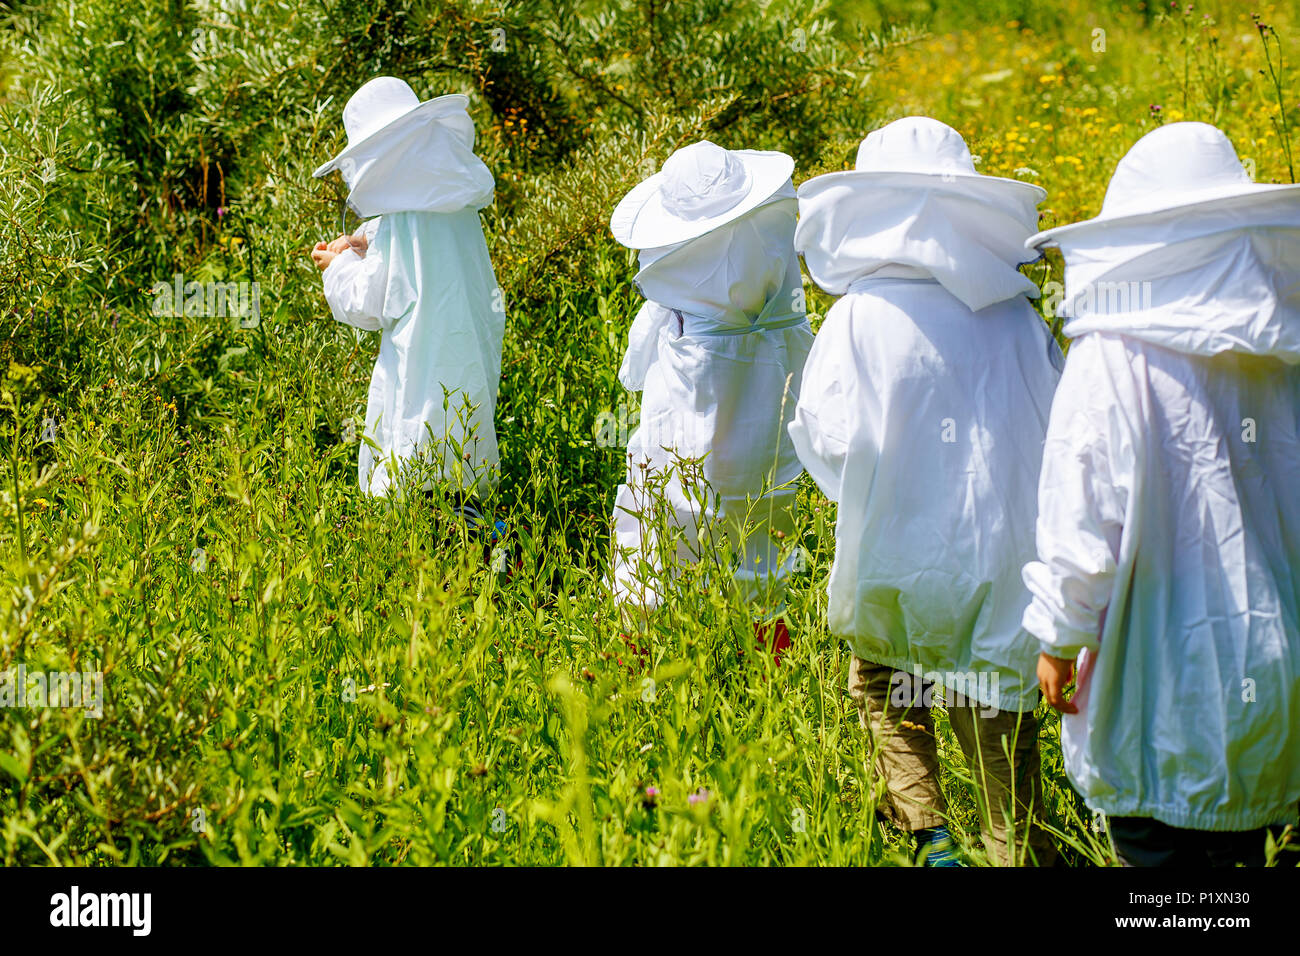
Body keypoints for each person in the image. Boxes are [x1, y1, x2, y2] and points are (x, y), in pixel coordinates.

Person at [1023, 121, 1300, 867]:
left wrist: (1058, 633)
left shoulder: (1110, 355)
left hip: (1155, 688)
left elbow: (1082, 517)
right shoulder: (1282, 351)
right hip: (1274, 673)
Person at [790, 117, 1062, 865]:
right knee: (997, 718)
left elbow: (825, 434)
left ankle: (926, 836)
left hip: (896, 553)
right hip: (1002, 563)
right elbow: (1058, 430)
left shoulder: (856, 317)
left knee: (886, 682)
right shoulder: (1013, 314)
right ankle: (1018, 852)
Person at [608, 141, 813, 660]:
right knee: (764, 527)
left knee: (659, 524)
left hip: (689, 397)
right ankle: (765, 667)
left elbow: (641, 360)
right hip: (773, 394)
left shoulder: (680, 269)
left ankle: (648, 660)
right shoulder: (770, 238)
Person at [311, 77, 504, 513]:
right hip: (465, 358)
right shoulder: (453, 202)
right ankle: (485, 559)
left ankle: (437, 564)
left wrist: (337, 266)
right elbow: (418, 249)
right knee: (461, 462)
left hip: (418, 368)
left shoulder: (404, 217)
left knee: (416, 475)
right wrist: (364, 241)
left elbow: (367, 301)